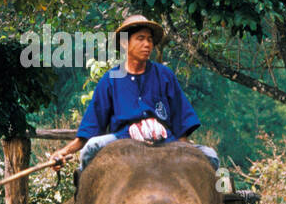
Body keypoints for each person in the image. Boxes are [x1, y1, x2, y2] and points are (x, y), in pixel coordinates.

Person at [49, 13, 221, 172]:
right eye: (140, 39)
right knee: (92, 146)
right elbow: (90, 128)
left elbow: (181, 121)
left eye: (149, 39)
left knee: (211, 156)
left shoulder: (165, 75)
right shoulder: (110, 80)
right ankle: (84, 196)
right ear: (125, 43)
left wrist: (185, 150)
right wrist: (63, 152)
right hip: (122, 139)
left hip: (165, 141)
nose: (147, 44)